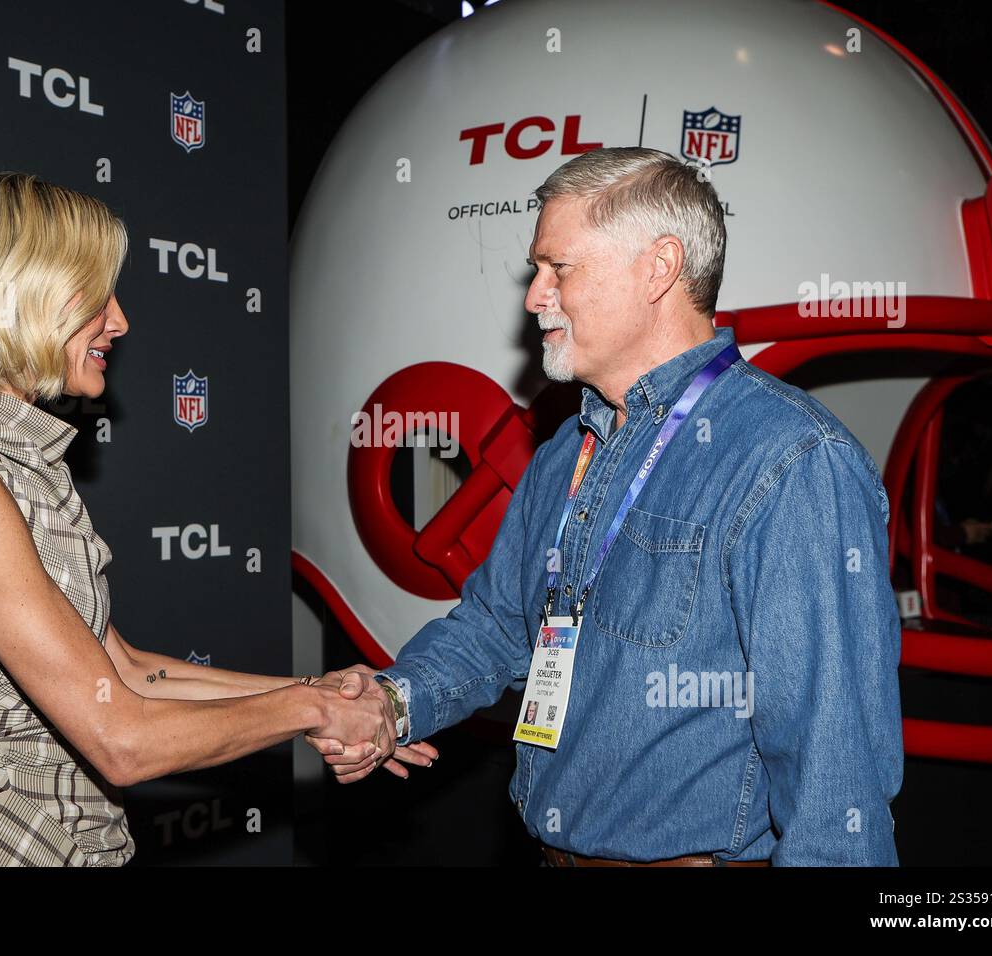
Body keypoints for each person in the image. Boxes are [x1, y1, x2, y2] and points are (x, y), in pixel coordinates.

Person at [309, 147, 903, 866]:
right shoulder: (568, 448)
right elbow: (498, 628)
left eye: (560, 268)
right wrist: (393, 705)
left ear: (658, 268)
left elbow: (832, 778)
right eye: (538, 270)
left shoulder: (792, 461)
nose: (534, 295)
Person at [0, 172, 435, 866]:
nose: (120, 320)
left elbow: (126, 670)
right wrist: (319, 712)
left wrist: (318, 688)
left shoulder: (13, 459)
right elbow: (122, 740)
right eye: (96, 294)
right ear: (20, 294)